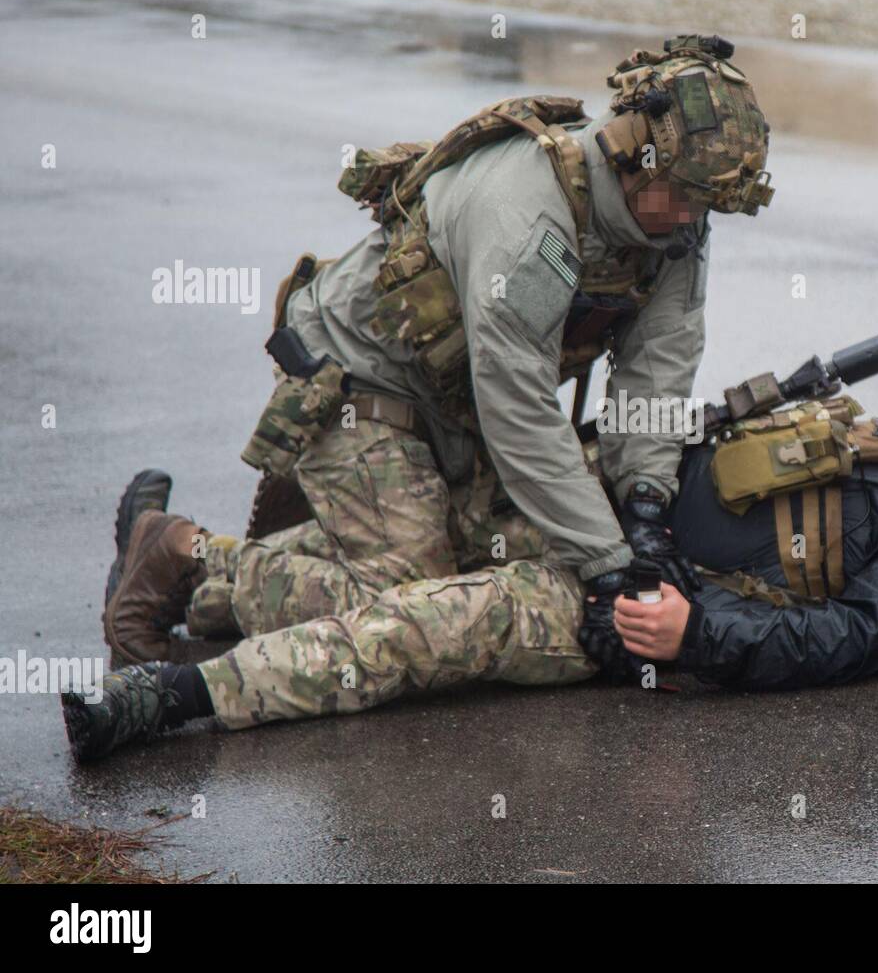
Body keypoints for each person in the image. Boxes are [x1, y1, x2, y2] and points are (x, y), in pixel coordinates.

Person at [101, 34, 774, 671]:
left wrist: (647, 504)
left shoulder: (675, 227)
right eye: (685, 196)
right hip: (359, 380)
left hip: (457, 395)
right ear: (632, 154)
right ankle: (177, 557)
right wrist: (607, 561)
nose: (695, 217)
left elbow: (657, 373)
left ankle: (193, 572)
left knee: (479, 560)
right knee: (416, 597)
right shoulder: (532, 223)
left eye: (709, 204)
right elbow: (520, 410)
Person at [64, 439, 878, 761]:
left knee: (400, 631)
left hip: (625, 593)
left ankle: (169, 696)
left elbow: (843, 639)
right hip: (610, 507)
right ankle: (184, 563)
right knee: (384, 565)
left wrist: (693, 631)